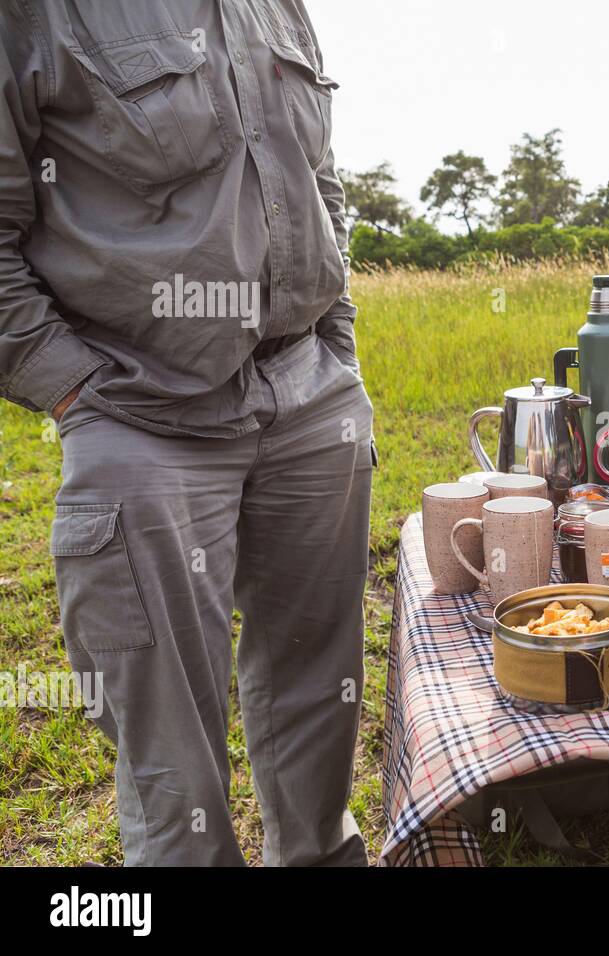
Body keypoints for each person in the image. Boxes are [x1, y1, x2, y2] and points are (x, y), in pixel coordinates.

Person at [0, 0, 372, 866]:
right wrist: (75, 392)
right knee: (174, 765)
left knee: (321, 692)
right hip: (139, 410)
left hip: (309, 395)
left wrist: (335, 343)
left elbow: (319, 183)